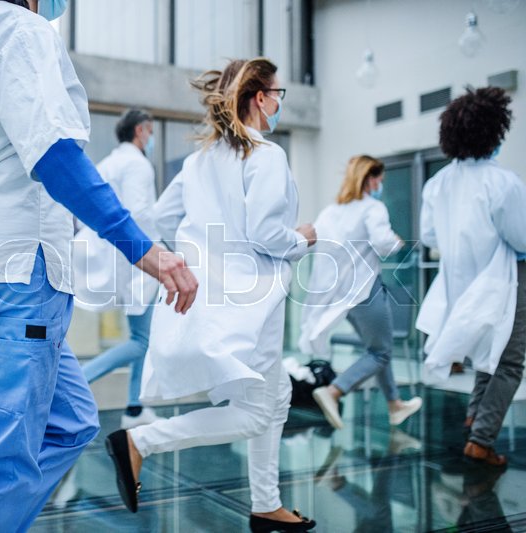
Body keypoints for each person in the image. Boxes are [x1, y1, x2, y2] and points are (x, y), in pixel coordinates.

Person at [0, 1, 198, 531]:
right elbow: (54, 153)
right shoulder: (19, 27)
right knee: (2, 465)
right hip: (16, 271)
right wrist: (144, 249)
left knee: (72, 423)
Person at [104, 58, 317, 532]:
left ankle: (266, 505)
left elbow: (159, 217)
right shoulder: (265, 155)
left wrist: (200, 254)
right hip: (253, 300)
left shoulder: (201, 160)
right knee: (255, 413)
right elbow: (267, 233)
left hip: (216, 302)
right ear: (259, 98)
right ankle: (142, 442)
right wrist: (303, 237)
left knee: (274, 396)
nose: (279, 102)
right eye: (277, 93)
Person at [417, 87, 526, 467]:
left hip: (460, 279)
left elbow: (429, 237)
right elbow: (522, 237)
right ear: (495, 130)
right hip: (503, 277)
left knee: (485, 352)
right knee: (508, 361)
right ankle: (481, 440)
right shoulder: (504, 183)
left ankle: (474, 415)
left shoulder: (438, 183)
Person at [299, 155, 422, 430]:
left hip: (341, 295)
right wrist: (398, 242)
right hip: (366, 290)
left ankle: (394, 405)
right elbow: (384, 244)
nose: (380, 184)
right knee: (382, 352)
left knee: (376, 349)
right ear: (369, 179)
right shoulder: (373, 208)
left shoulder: (330, 212)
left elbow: (323, 251)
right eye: (379, 179)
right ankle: (334, 391)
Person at [74, 108, 163, 429]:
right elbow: (139, 212)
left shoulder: (110, 163)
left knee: (142, 335)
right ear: (140, 131)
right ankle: (77, 382)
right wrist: (160, 252)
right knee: (141, 339)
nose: (151, 139)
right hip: (138, 259)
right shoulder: (137, 165)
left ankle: (135, 409)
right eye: (151, 132)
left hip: (113, 257)